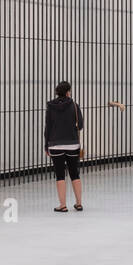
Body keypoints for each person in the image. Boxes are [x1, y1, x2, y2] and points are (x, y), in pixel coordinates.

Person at [46, 81, 85, 212]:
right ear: (68, 91)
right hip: (72, 145)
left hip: (55, 145)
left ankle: (62, 205)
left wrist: (47, 145)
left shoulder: (51, 106)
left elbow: (48, 127)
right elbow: (80, 125)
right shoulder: (74, 105)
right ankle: (78, 203)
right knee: (75, 173)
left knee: (60, 175)